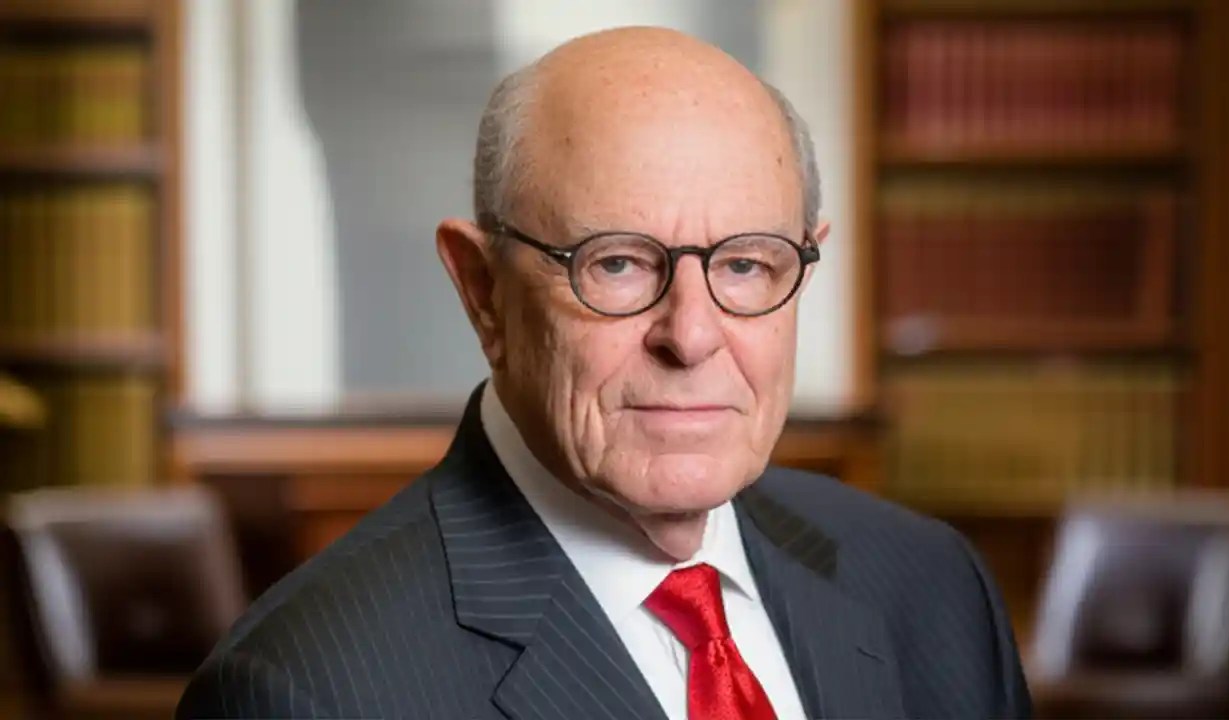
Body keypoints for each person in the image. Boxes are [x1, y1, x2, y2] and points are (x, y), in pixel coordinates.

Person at [177, 27, 1031, 720]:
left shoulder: (933, 590)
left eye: (745, 265)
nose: (691, 336)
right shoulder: (303, 692)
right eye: (616, 264)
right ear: (482, 293)